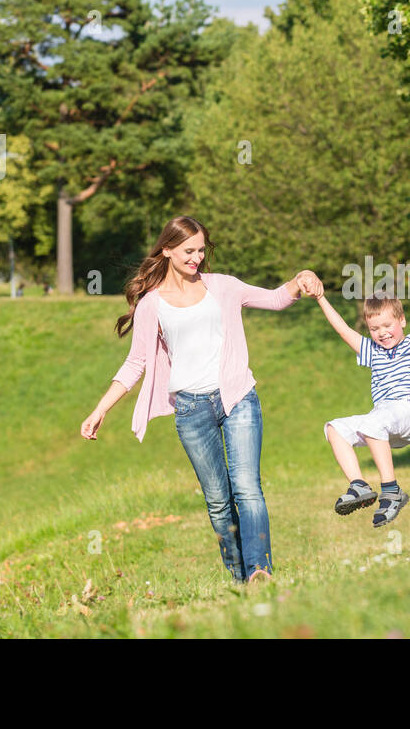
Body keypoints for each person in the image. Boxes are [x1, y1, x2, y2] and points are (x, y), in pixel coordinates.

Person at [80, 215, 321, 585]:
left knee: (248, 489)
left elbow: (274, 299)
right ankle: (241, 579)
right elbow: (136, 362)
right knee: (219, 502)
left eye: (201, 250)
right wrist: (100, 409)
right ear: (167, 250)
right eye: (188, 251)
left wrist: (300, 278)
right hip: (192, 411)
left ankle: (260, 573)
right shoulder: (151, 305)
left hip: (238, 398)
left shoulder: (222, 287)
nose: (197, 257)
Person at [303, 264, 410, 527]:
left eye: (387, 325)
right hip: (385, 423)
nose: (382, 333)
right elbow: (343, 329)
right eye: (374, 328)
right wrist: (321, 298)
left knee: (374, 420)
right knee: (334, 428)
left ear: (402, 321)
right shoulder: (372, 351)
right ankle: (359, 485)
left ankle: (391, 490)